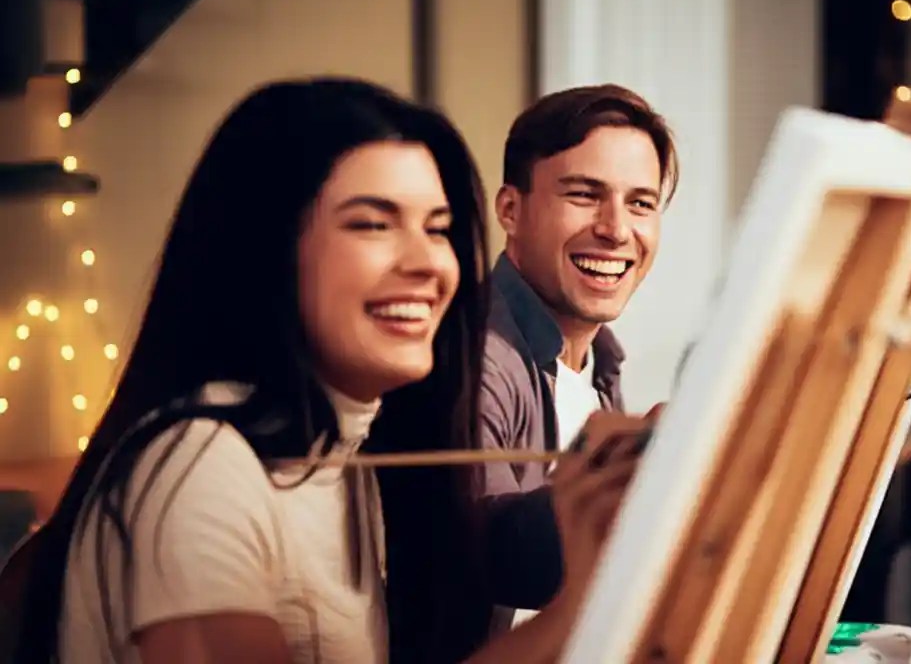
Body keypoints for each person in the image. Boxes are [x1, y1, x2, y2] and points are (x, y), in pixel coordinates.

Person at [11, 77, 640, 663]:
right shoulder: (202, 462)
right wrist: (580, 591)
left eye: (437, 228)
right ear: (267, 248)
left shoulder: (342, 453)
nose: (429, 263)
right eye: (373, 224)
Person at [478, 84, 678, 621]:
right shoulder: (476, 358)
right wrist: (643, 466)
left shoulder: (600, 364)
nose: (616, 230)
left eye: (640, 203)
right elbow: (485, 553)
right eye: (584, 194)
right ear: (511, 210)